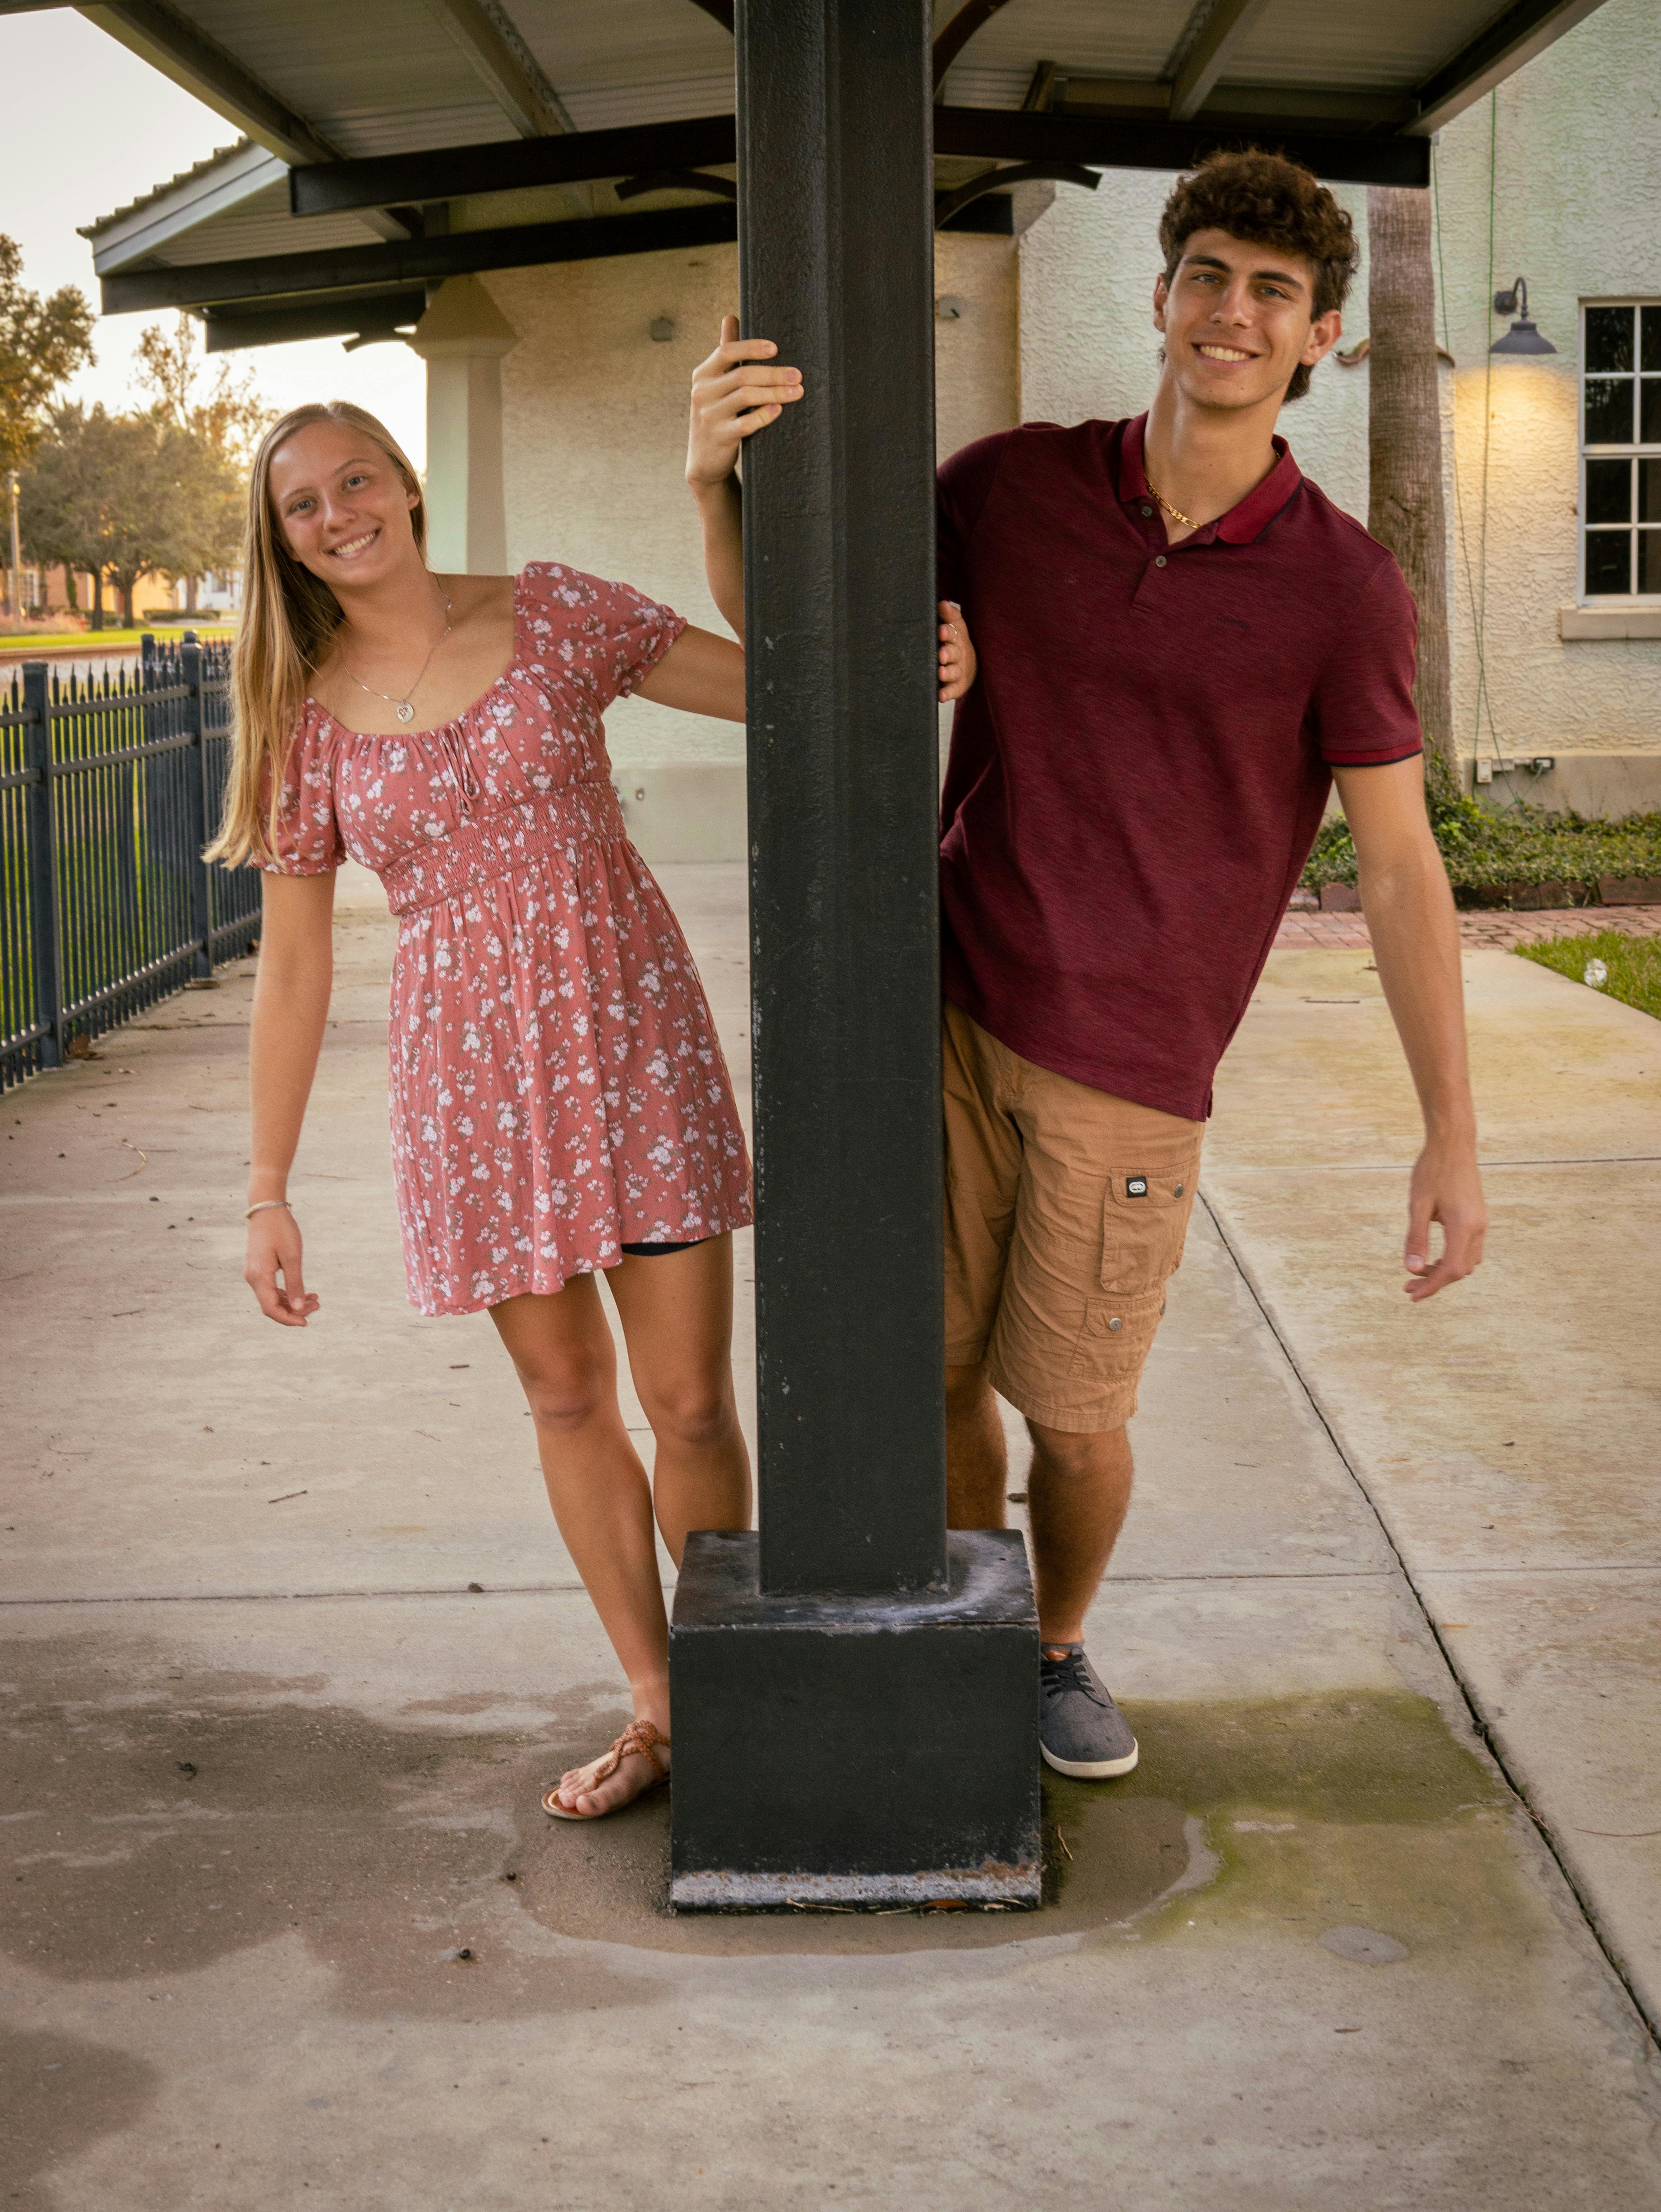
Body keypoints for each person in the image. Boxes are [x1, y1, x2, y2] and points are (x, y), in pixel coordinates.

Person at [693, 148, 1487, 1791]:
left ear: (1322, 335)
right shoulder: (1014, 486)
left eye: (1274, 291)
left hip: (1132, 1061)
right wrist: (713, 484)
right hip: (952, 999)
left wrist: (1450, 1136)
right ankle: (982, 1634)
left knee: (1077, 1411)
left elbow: (1403, 869)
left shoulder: (1341, 585)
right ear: (1161, 295)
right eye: (1209, 274)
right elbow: (805, 624)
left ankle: (1052, 1639)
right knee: (929, 1377)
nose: (1233, 311)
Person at [218, 398, 977, 1824]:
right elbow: (296, 964)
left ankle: (735, 1675)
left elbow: (777, 687)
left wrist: (903, 649)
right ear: (284, 540)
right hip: (468, 1086)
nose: (337, 514)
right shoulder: (295, 715)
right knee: (565, 1399)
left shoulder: (555, 612)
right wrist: (268, 1186)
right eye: (303, 504)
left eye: (355, 479)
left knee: (690, 1402)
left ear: (405, 483)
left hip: (626, 1039)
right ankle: (662, 1709)